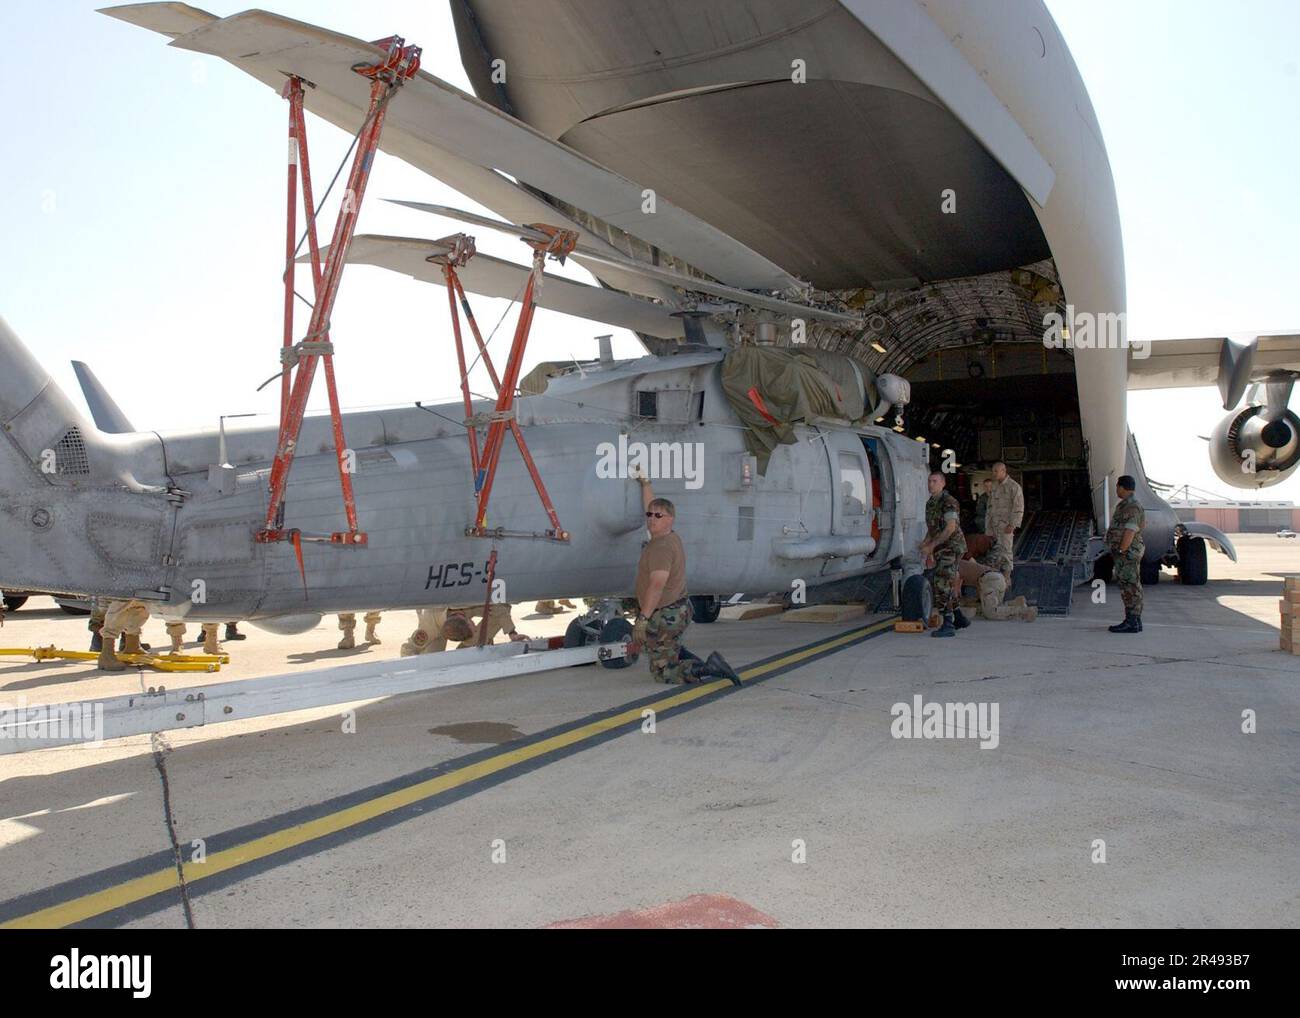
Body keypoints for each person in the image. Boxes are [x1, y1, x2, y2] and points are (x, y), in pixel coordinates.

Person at [631, 472, 740, 685]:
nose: (652, 519)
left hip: (667, 615)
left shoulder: (661, 548)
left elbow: (657, 585)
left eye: (658, 516)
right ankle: (695, 662)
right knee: (661, 645)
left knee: (663, 673)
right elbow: (652, 507)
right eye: (649, 515)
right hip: (677, 609)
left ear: (670, 519)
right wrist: (646, 483)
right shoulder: (668, 536)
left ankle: (709, 668)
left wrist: (642, 620)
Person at [919, 471, 967, 638]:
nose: (931, 484)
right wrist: (926, 542)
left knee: (941, 582)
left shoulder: (948, 502)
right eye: (929, 481)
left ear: (943, 483)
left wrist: (931, 546)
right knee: (946, 580)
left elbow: (950, 528)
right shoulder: (931, 503)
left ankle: (948, 623)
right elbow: (933, 528)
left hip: (951, 546)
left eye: (934, 481)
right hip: (942, 547)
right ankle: (959, 617)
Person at [1106, 475, 1145, 633]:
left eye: (1117, 486)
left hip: (1127, 553)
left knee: (1130, 587)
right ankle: (1134, 621)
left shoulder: (1132, 506)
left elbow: (1131, 530)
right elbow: (1142, 524)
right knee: (1128, 585)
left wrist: (1122, 549)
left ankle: (1132, 621)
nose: (1116, 489)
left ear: (1122, 487)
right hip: (1126, 552)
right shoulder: (1127, 505)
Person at [985, 461, 1024, 561]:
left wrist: (1012, 525)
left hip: (1005, 526)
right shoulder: (994, 486)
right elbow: (990, 507)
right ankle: (998, 574)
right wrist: (988, 527)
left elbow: (1018, 507)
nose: (994, 474)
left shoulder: (1014, 487)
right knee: (995, 552)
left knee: (1006, 552)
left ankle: (1006, 576)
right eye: (993, 471)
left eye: (996, 471)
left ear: (1003, 471)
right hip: (994, 526)